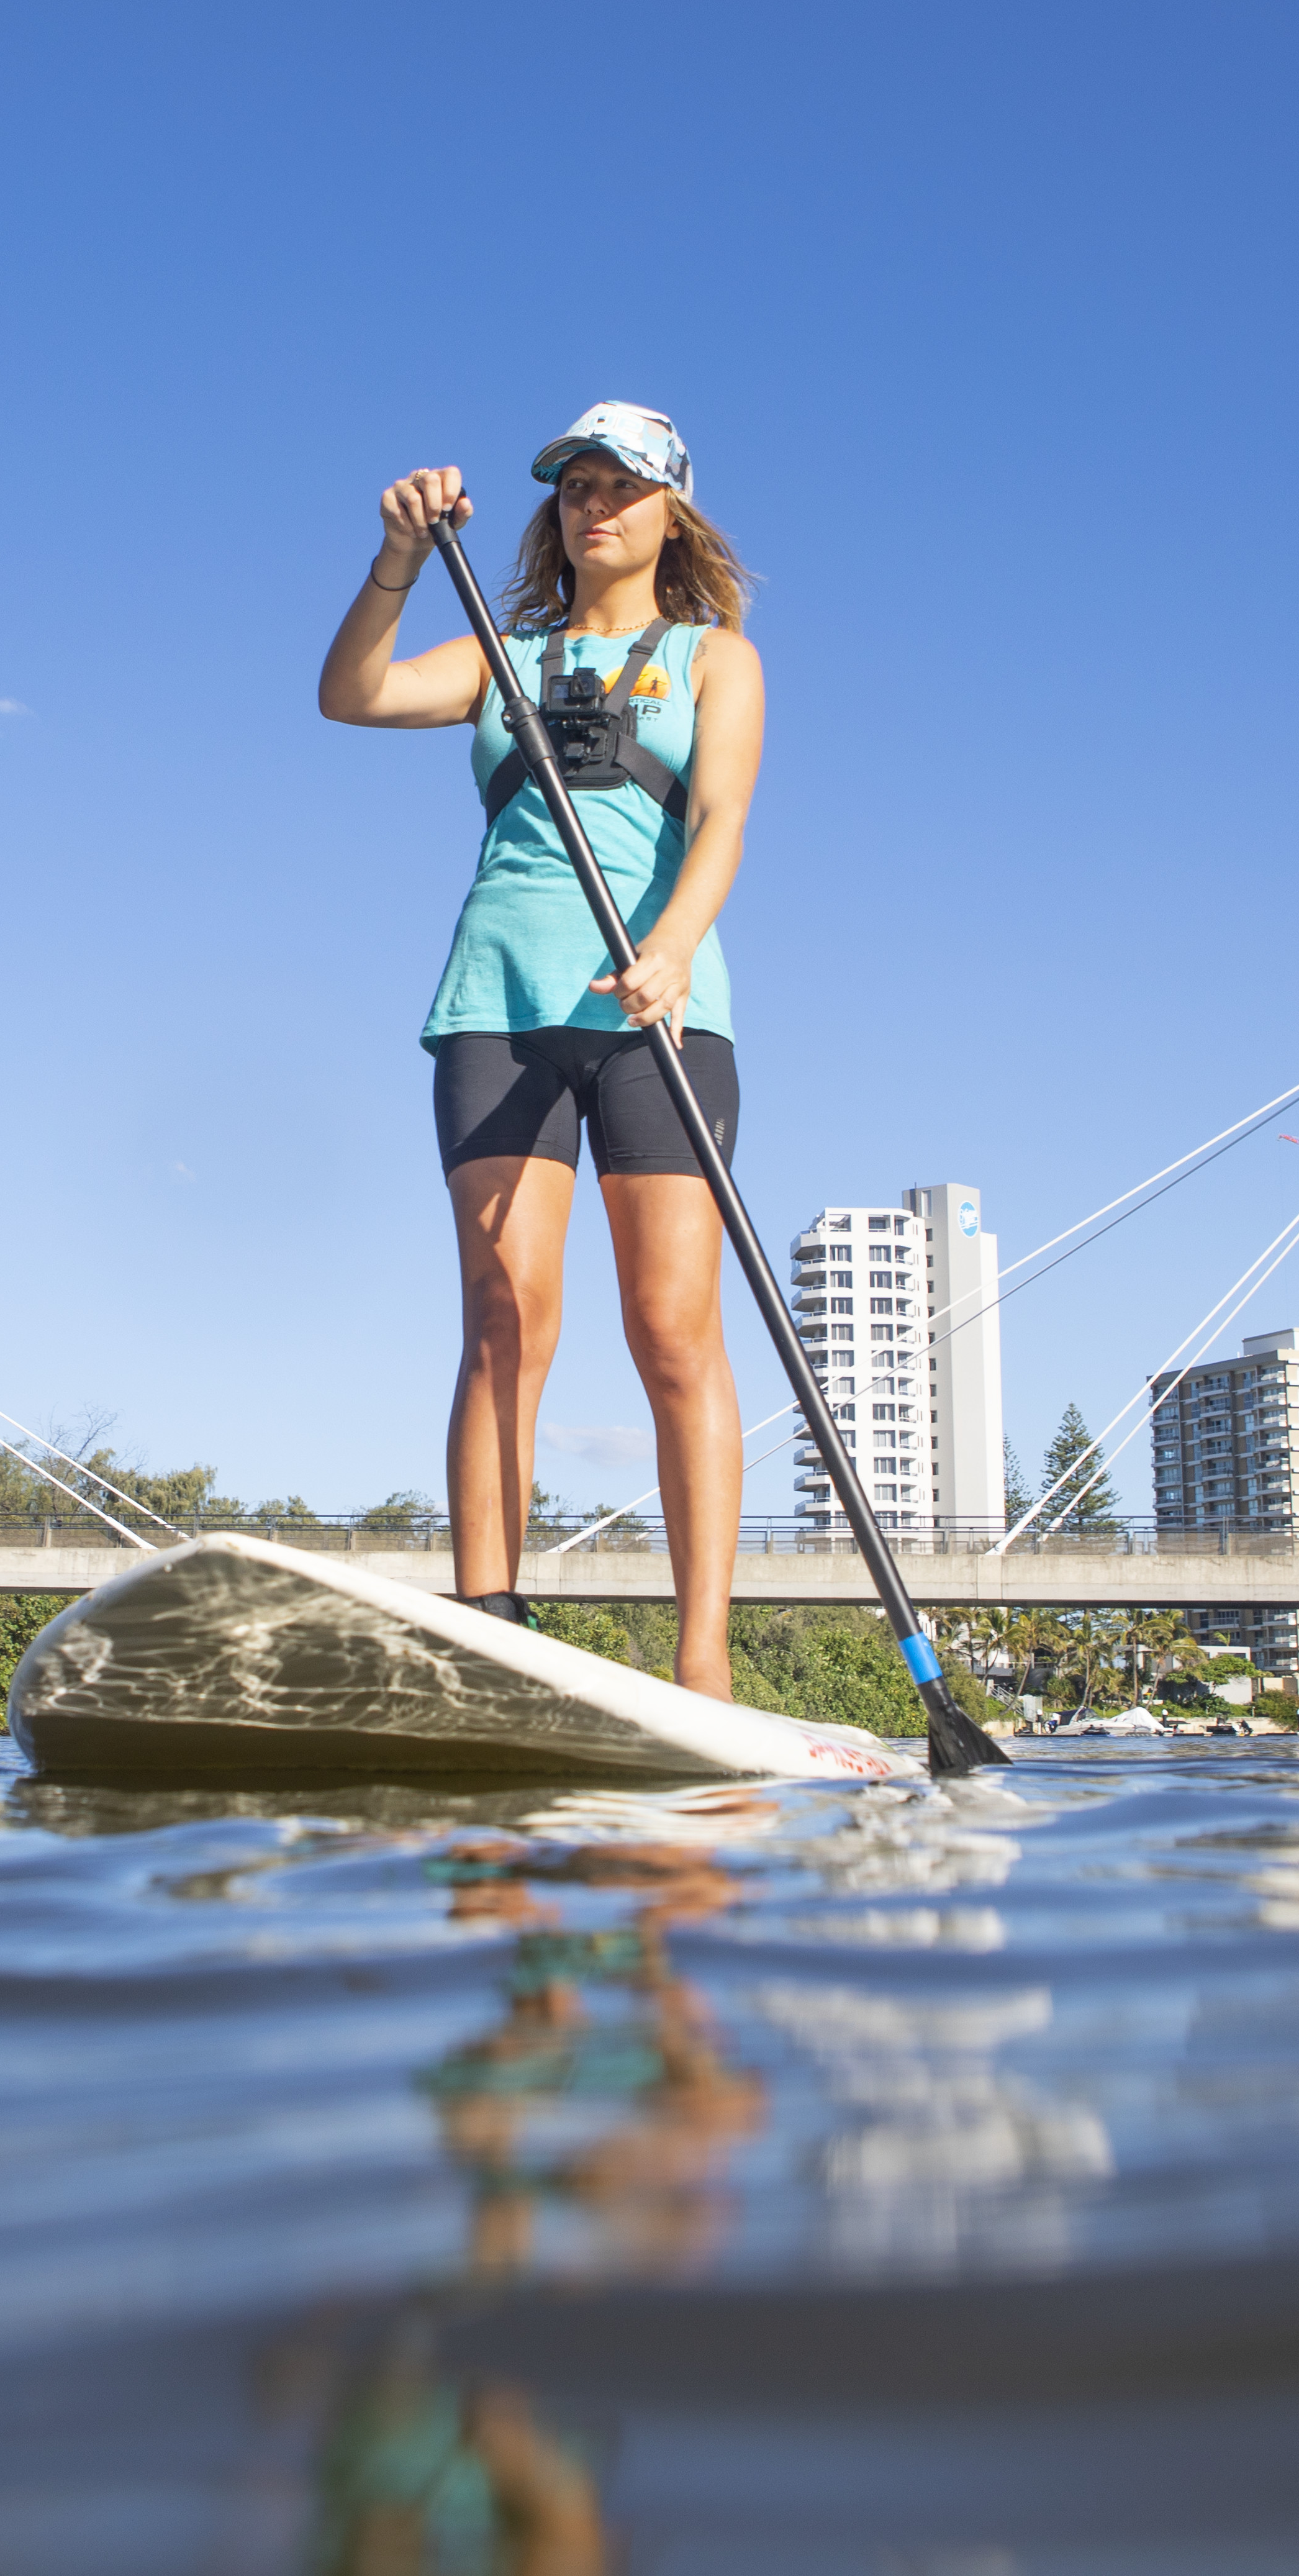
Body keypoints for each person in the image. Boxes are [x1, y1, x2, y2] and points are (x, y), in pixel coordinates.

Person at [317, 404, 762, 1700]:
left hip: (655, 1012)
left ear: (671, 509)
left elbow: (725, 819)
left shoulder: (714, 658)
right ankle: (493, 1640)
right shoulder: (504, 653)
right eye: (575, 485)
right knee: (505, 1321)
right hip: (494, 1008)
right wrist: (398, 557)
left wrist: (672, 947)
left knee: (673, 1329)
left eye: (622, 486)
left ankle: (703, 1661)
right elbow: (352, 696)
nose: (594, 504)